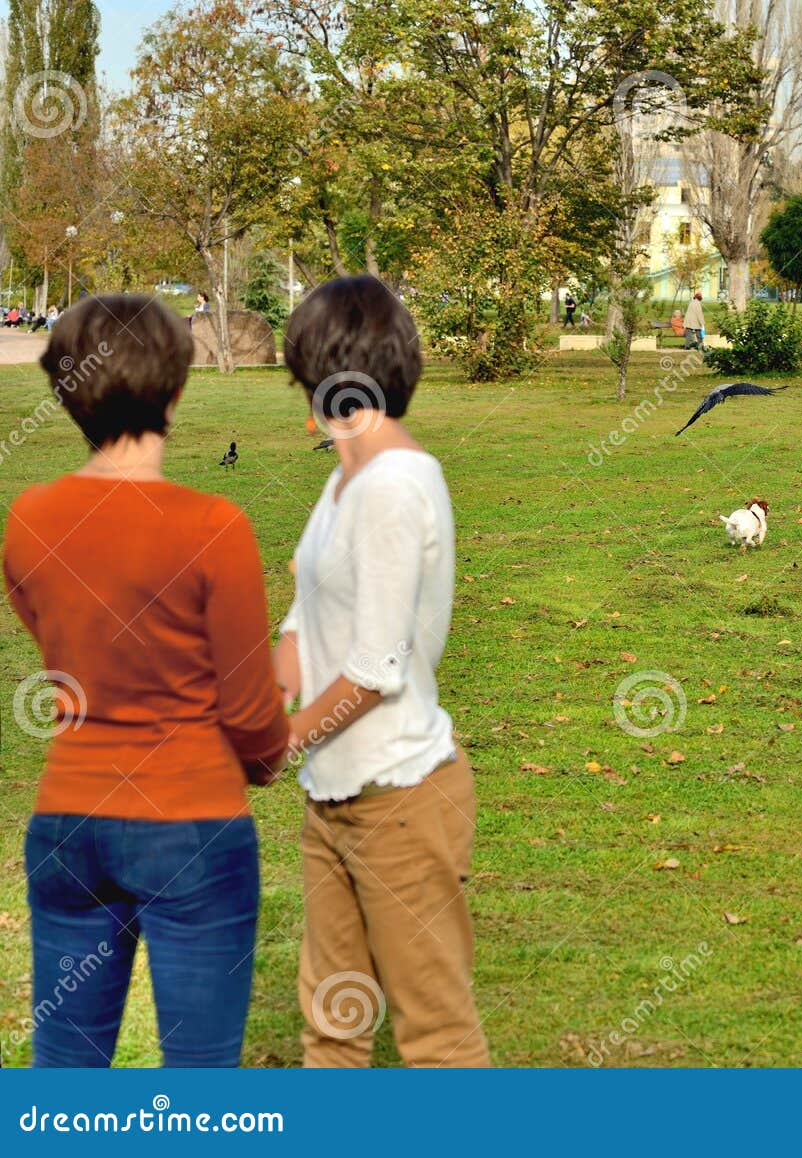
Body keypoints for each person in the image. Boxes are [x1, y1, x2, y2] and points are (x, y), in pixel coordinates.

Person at [4, 295, 290, 1067]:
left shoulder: (29, 519)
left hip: (69, 819)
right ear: (177, 387)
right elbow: (250, 710)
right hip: (192, 819)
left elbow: (63, 651)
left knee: (64, 1074)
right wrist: (267, 760)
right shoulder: (213, 526)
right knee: (200, 1083)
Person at [276, 275, 490, 1068]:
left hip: (401, 798)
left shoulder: (397, 487)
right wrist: (268, 695)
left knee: (434, 1035)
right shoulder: (345, 480)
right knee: (332, 1028)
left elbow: (375, 669)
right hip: (332, 796)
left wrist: (283, 737)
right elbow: (305, 615)